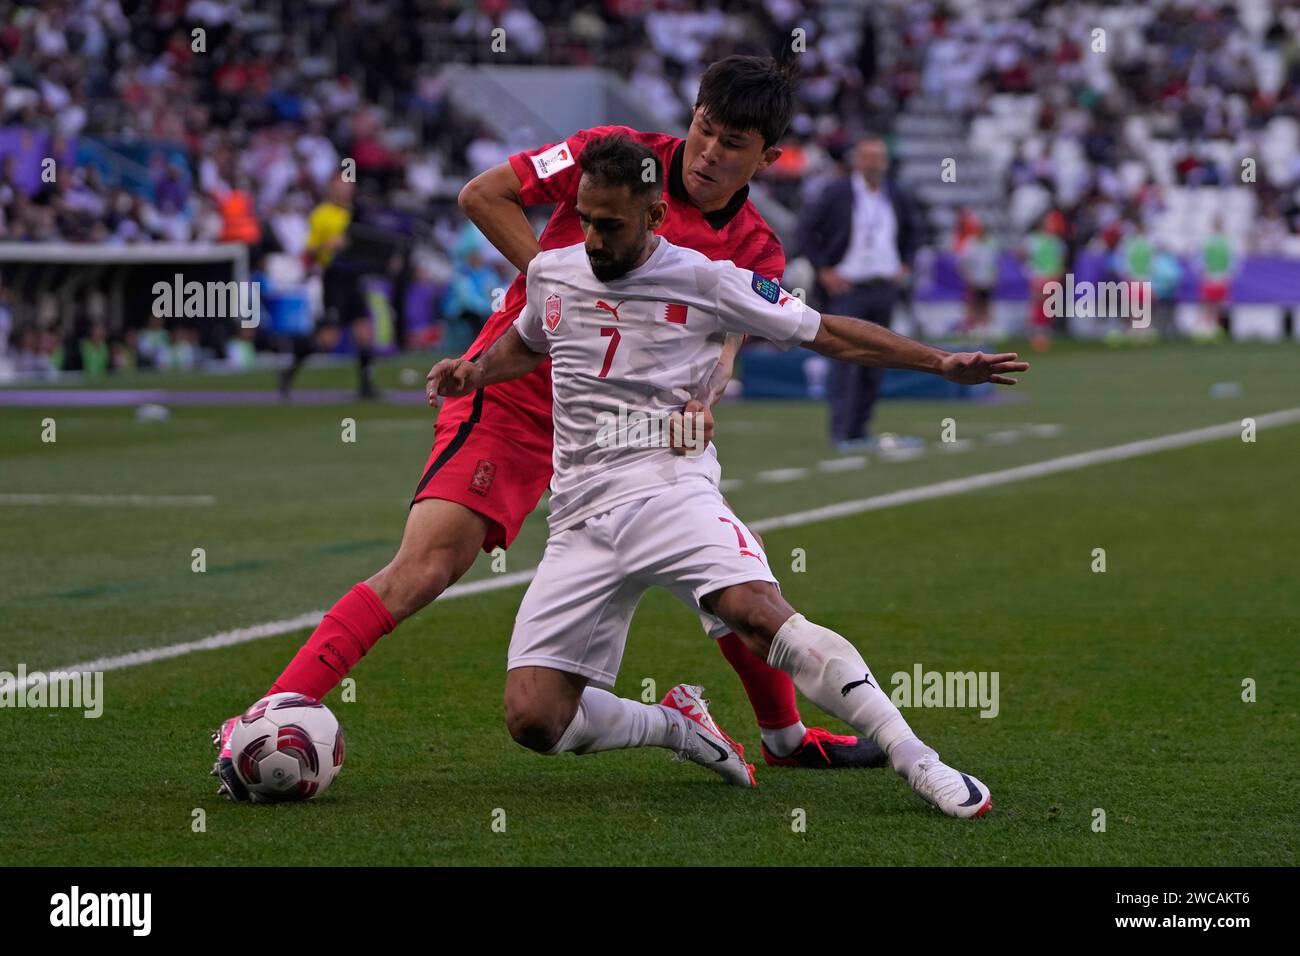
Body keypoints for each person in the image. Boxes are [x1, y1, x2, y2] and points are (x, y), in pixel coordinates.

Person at [212, 55, 886, 802]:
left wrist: (707, 399)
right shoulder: (612, 156)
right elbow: (484, 194)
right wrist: (565, 292)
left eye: (733, 144)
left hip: (632, 432)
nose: (709, 152)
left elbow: (727, 342)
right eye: (703, 129)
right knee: (429, 565)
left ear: (768, 157)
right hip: (516, 393)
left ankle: (785, 739)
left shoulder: (758, 246)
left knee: (723, 581)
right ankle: (273, 710)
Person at [428, 135, 1027, 814]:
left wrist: (940, 362)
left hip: (668, 491)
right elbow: (528, 343)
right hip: (579, 518)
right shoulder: (554, 271)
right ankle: (677, 726)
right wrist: (474, 369)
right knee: (534, 718)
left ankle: (918, 759)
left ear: (655, 217)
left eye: (612, 225)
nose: (593, 239)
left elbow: (827, 331)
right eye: (587, 220)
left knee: (759, 615)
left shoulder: (707, 278)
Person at [797, 135, 925, 451]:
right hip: (848, 287)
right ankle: (841, 430)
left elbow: (916, 230)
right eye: (867, 157)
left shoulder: (896, 194)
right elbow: (804, 230)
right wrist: (824, 269)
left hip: (884, 286)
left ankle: (860, 428)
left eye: (878, 157)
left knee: (877, 359)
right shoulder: (837, 192)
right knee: (845, 358)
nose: (873, 163)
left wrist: (906, 265)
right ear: (857, 160)